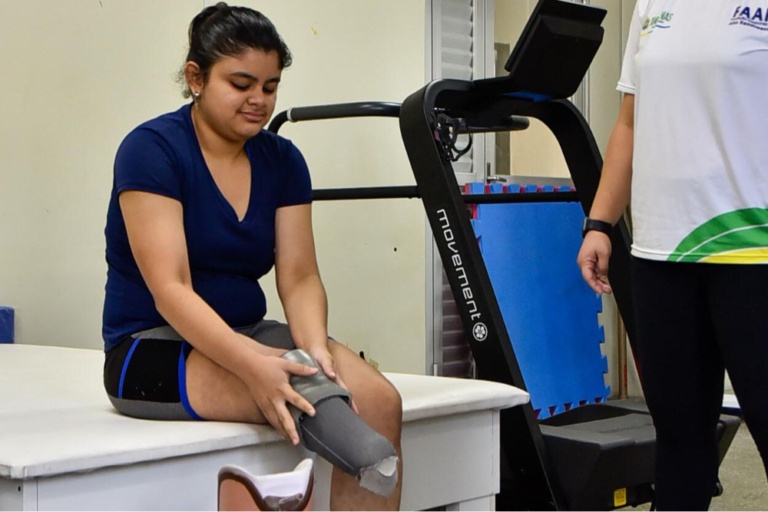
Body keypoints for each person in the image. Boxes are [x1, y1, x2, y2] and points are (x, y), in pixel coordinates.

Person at [101, 3, 402, 509]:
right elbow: (170, 288)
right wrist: (254, 364)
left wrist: (315, 351)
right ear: (196, 77)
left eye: (270, 86)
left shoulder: (282, 160)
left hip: (247, 330)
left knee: (378, 399)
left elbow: (301, 277)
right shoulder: (151, 149)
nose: (258, 100)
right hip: (149, 345)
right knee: (315, 400)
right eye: (241, 84)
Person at [577, 1, 768, 509]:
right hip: (661, 253)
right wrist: (599, 223)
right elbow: (629, 125)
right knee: (680, 440)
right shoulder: (653, 5)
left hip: (754, 251)